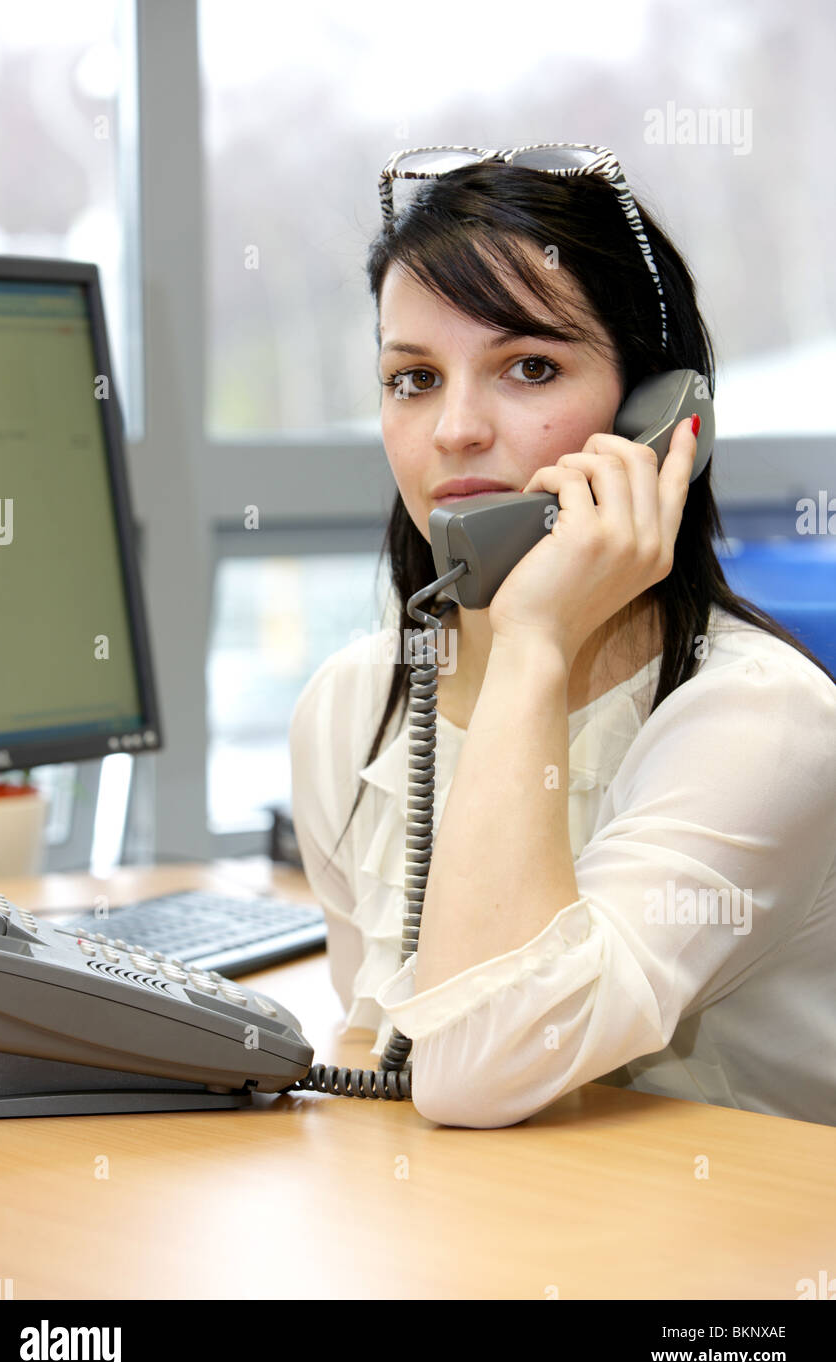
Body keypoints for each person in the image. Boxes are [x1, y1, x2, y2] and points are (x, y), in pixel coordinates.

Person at [288, 146, 836, 1129]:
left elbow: (478, 1066)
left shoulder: (762, 722)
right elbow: (389, 1068)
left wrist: (533, 643)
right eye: (411, 377)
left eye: (527, 367)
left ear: (658, 419)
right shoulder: (350, 707)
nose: (453, 428)